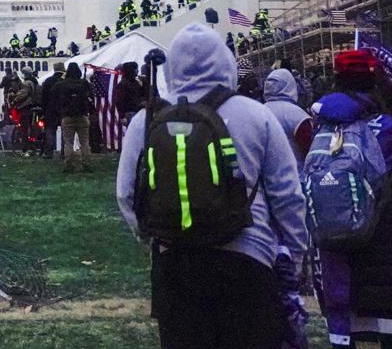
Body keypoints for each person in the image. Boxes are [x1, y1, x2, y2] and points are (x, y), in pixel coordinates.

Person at [115, 23, 308, 349]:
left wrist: (154, 234)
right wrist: (296, 254)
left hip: (175, 262)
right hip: (248, 257)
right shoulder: (255, 114)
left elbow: (126, 193)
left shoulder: (147, 120)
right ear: (225, 63)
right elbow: (287, 195)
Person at [310, 50, 392, 348]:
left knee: (344, 323)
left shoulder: (323, 124)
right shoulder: (387, 126)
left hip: (333, 240)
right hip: (381, 241)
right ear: (375, 79)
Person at [262, 69, 313, 167]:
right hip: (295, 175)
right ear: (291, 85)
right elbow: (309, 149)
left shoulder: (258, 112)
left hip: (266, 177)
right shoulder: (297, 114)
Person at [51, 63, 93, 173]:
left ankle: (68, 164)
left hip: (67, 116)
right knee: (84, 142)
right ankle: (87, 163)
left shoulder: (61, 85)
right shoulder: (84, 83)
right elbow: (91, 95)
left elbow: (53, 96)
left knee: (68, 142)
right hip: (82, 115)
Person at [39, 61, 66, 160]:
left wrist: (43, 110)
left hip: (50, 109)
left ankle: (49, 152)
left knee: (50, 131)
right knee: (65, 132)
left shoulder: (48, 81)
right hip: (63, 109)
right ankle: (64, 152)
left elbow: (44, 98)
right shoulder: (65, 81)